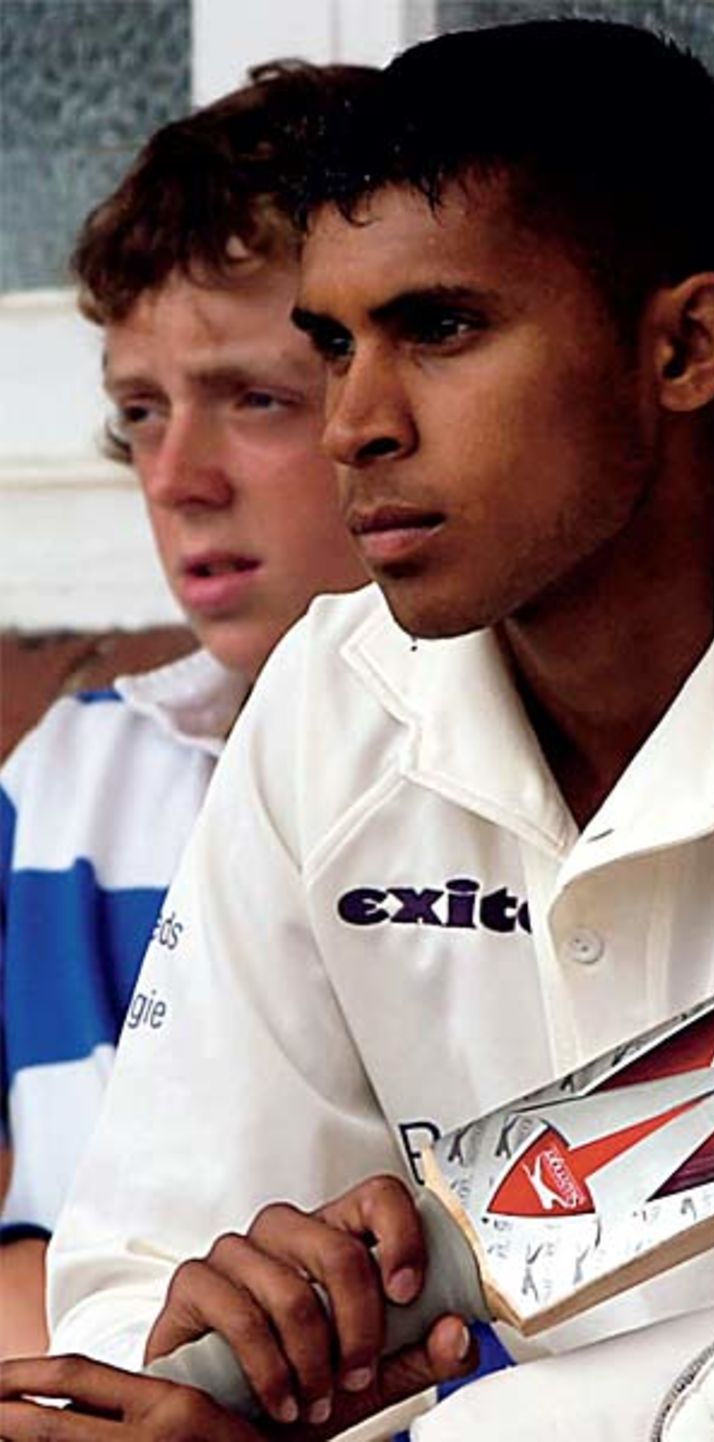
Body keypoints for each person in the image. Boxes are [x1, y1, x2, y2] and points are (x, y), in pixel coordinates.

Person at [4, 18, 714, 1441]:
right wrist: (247, 1339)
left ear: (683, 344)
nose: (352, 423)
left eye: (438, 328)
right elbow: (139, 1294)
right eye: (330, 346)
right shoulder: (335, 693)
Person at [0, 62, 369, 1360]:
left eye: (254, 400)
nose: (176, 478)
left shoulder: (521, 773)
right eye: (139, 414)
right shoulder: (68, 781)